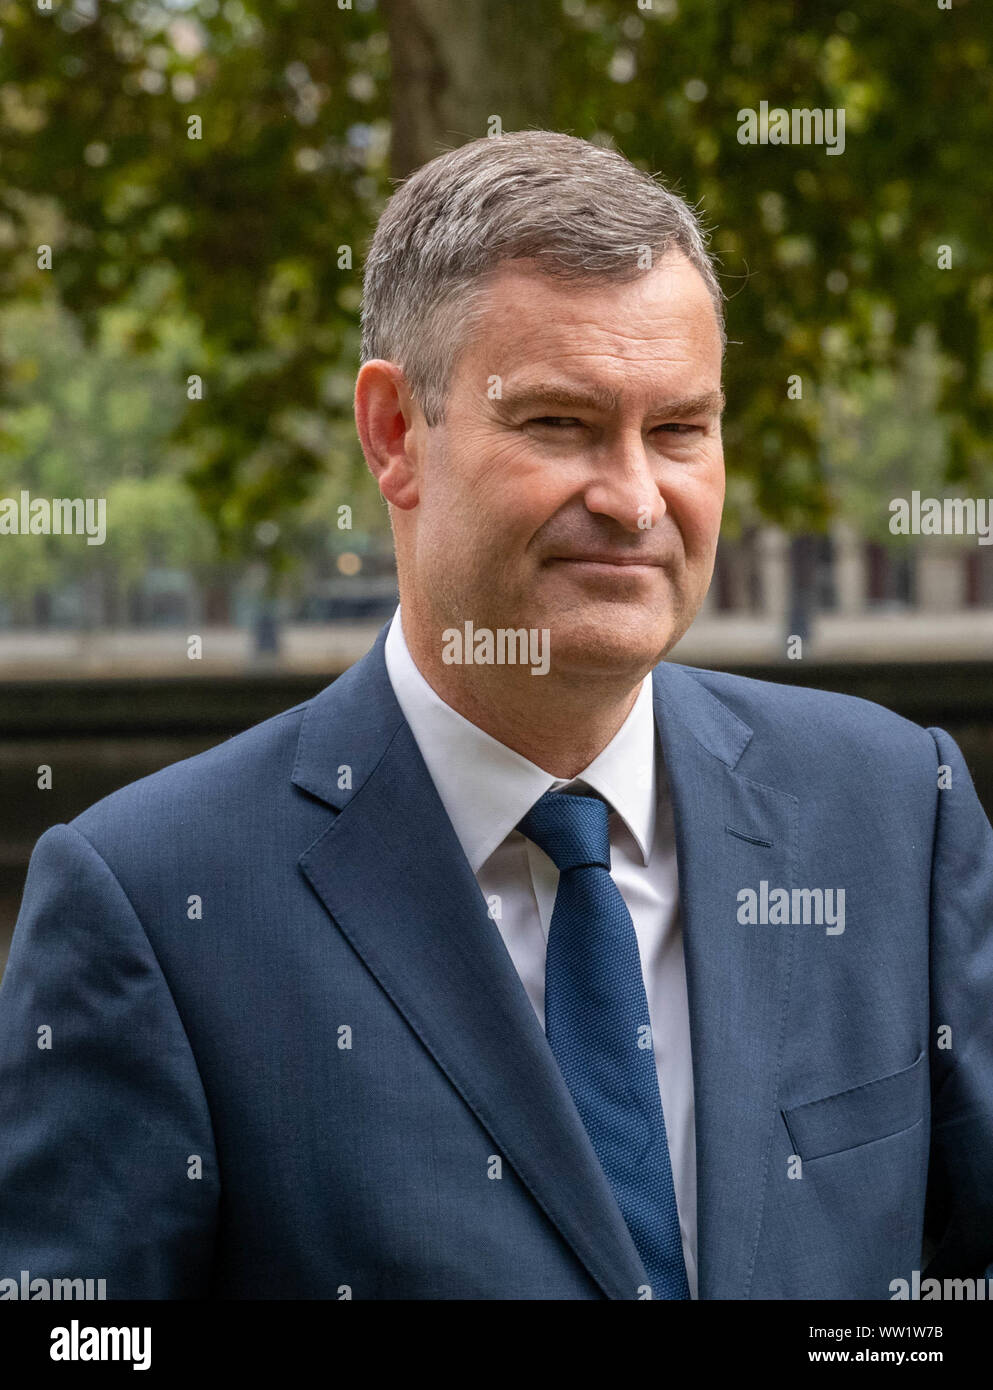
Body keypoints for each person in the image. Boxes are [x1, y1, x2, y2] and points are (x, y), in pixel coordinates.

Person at [1, 130, 991, 1301]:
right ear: (395, 434)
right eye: (560, 424)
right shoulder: (152, 901)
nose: (634, 499)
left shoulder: (888, 811)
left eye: (679, 428)